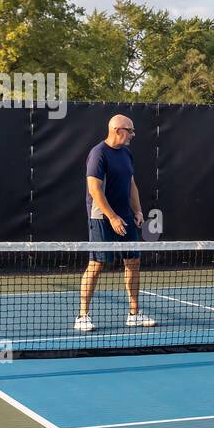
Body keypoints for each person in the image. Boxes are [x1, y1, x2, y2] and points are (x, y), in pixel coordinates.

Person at [75, 115, 156, 332]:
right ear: (118, 130)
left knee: (133, 262)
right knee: (97, 265)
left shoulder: (126, 153)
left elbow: (131, 184)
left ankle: (134, 313)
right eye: (130, 130)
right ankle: (82, 315)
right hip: (101, 218)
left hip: (125, 218)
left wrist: (137, 211)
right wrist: (112, 217)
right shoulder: (98, 154)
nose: (133, 134)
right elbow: (95, 190)